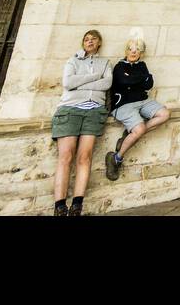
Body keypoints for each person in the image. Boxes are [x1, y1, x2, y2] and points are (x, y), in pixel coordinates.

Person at [52, 29, 112, 216]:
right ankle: (59, 205)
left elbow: (107, 84)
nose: (90, 41)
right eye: (86, 39)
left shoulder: (105, 63)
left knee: (84, 157)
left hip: (94, 110)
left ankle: (77, 204)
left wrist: (81, 83)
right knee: (65, 156)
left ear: (99, 42)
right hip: (70, 110)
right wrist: (95, 77)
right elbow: (68, 83)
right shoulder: (73, 61)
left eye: (93, 39)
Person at [104, 38, 170, 181]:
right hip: (123, 104)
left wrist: (135, 79)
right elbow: (124, 81)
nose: (134, 52)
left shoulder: (142, 65)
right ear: (126, 51)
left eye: (137, 49)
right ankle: (116, 158)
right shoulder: (119, 67)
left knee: (164, 114)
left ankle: (129, 134)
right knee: (139, 129)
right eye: (131, 49)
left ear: (141, 52)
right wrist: (140, 79)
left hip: (142, 100)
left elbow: (149, 84)